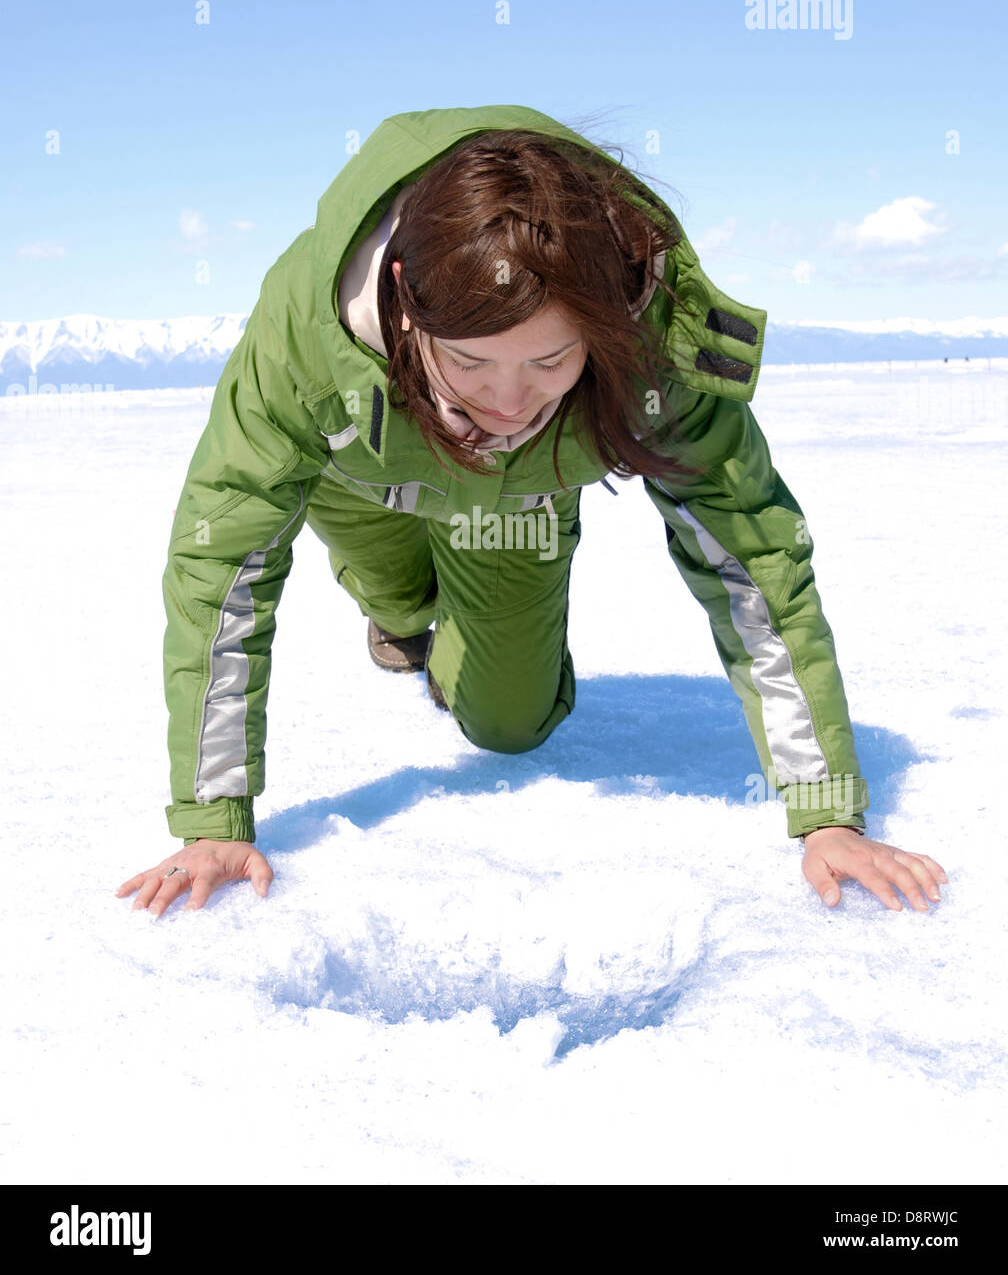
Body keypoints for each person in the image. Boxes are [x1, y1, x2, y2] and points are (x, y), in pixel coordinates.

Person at [116, 103, 947, 919]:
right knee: (400, 598)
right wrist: (212, 820)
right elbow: (223, 561)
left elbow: (755, 560)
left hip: (522, 500)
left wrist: (828, 811)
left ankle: (454, 633)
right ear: (405, 298)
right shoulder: (304, 336)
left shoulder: (661, 344)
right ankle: (402, 618)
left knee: (511, 723)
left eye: (552, 361)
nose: (509, 401)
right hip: (361, 477)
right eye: (471, 364)